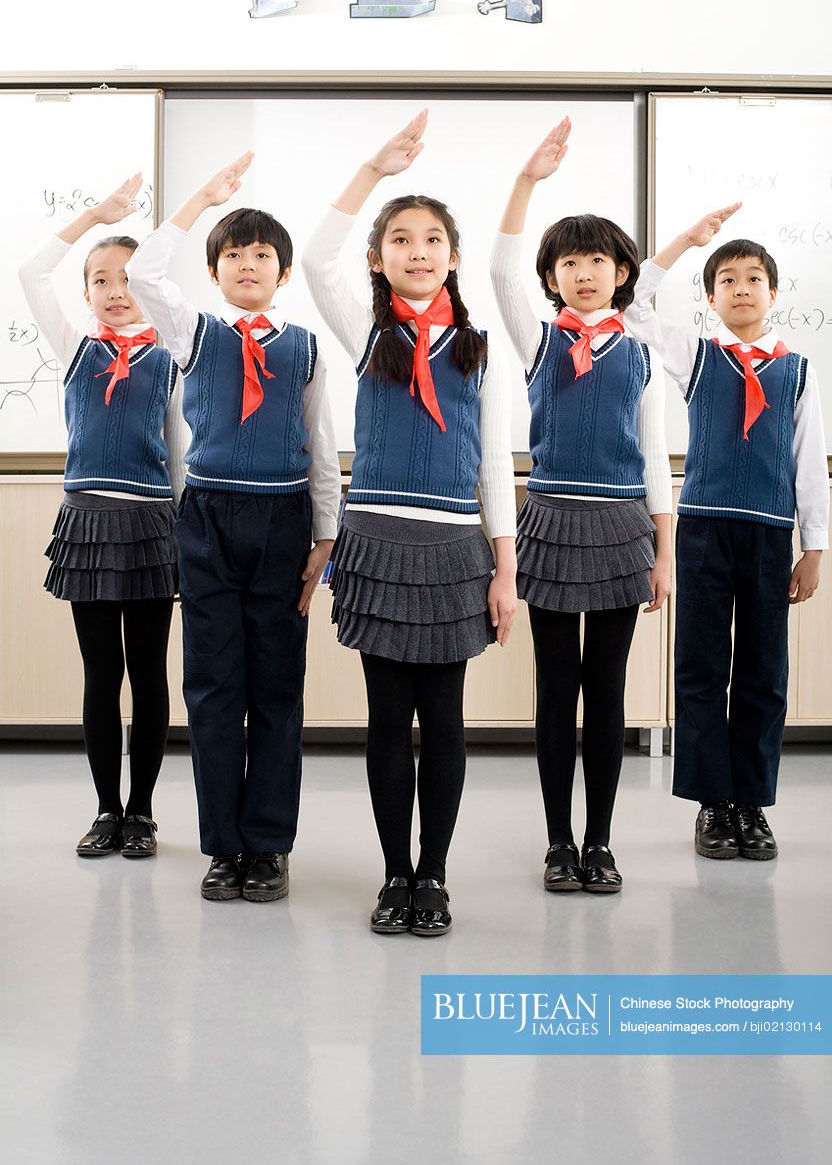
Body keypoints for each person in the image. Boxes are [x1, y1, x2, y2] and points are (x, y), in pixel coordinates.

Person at [302, 110, 517, 936]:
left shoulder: (481, 346)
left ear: (453, 256)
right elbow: (318, 257)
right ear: (380, 255)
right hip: (379, 547)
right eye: (400, 238)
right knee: (388, 720)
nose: (418, 250)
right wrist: (371, 170)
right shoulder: (369, 331)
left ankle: (436, 875)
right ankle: (395, 874)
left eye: (432, 239)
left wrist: (504, 568)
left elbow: (494, 464)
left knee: (448, 720)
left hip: (456, 550)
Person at [126, 153, 340, 902]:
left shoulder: (306, 347)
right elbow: (144, 276)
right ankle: (225, 845)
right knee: (214, 687)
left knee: (277, 688)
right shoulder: (193, 332)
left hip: (283, 521)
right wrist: (198, 203)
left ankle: (269, 843)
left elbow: (319, 448)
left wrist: (325, 537)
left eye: (262, 255)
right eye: (233, 254)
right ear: (213, 271)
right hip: (209, 518)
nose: (247, 264)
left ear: (284, 274)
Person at [490, 118, 672, 894]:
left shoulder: (642, 352)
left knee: (608, 692)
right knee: (555, 689)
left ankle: (600, 840)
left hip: (625, 527)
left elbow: (658, 458)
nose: (586, 271)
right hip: (554, 523)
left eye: (599, 258)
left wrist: (665, 553)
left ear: (624, 271)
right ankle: (558, 841)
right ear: (554, 275)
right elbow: (499, 271)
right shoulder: (537, 340)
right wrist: (527, 180)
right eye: (571, 261)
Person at [630, 206, 829, 860]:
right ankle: (712, 802)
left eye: (753, 278)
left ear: (773, 293)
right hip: (706, 529)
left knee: (765, 669)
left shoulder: (797, 370)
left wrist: (814, 548)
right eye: (727, 279)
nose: (741, 288)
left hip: (771, 534)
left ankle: (752, 801)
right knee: (702, 664)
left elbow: (807, 461)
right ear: (711, 297)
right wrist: (687, 242)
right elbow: (634, 305)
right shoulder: (696, 357)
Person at [19, 174, 186, 859]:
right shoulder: (75, 350)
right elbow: (30, 272)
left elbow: (179, 455)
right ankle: (105, 809)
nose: (116, 290)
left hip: (150, 527)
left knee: (147, 673)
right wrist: (93, 214)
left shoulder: (173, 356)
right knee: (99, 675)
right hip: (86, 526)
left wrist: (179, 530)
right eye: (100, 279)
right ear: (86, 291)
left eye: (126, 277)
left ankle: (142, 812)